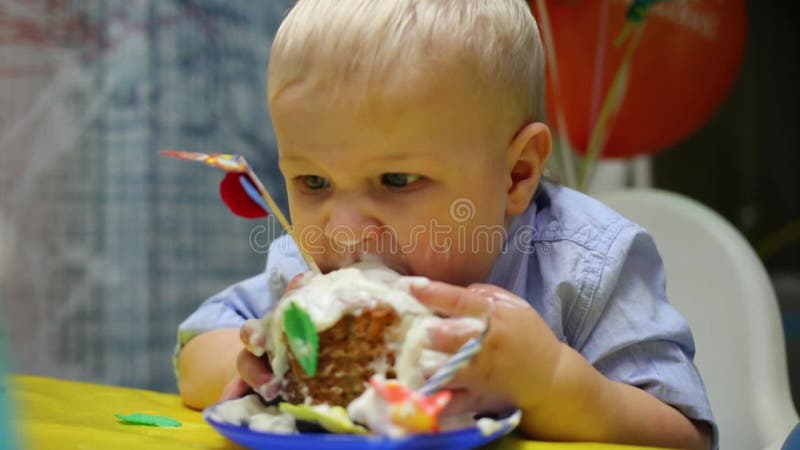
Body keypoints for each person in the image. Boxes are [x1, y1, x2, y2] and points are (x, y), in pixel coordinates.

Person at [175, 0, 715, 448]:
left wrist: (549, 383)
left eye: (396, 179)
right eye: (313, 183)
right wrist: (267, 358)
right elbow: (196, 349)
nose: (342, 232)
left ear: (515, 174)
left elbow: (683, 436)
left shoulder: (581, 264)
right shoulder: (311, 272)